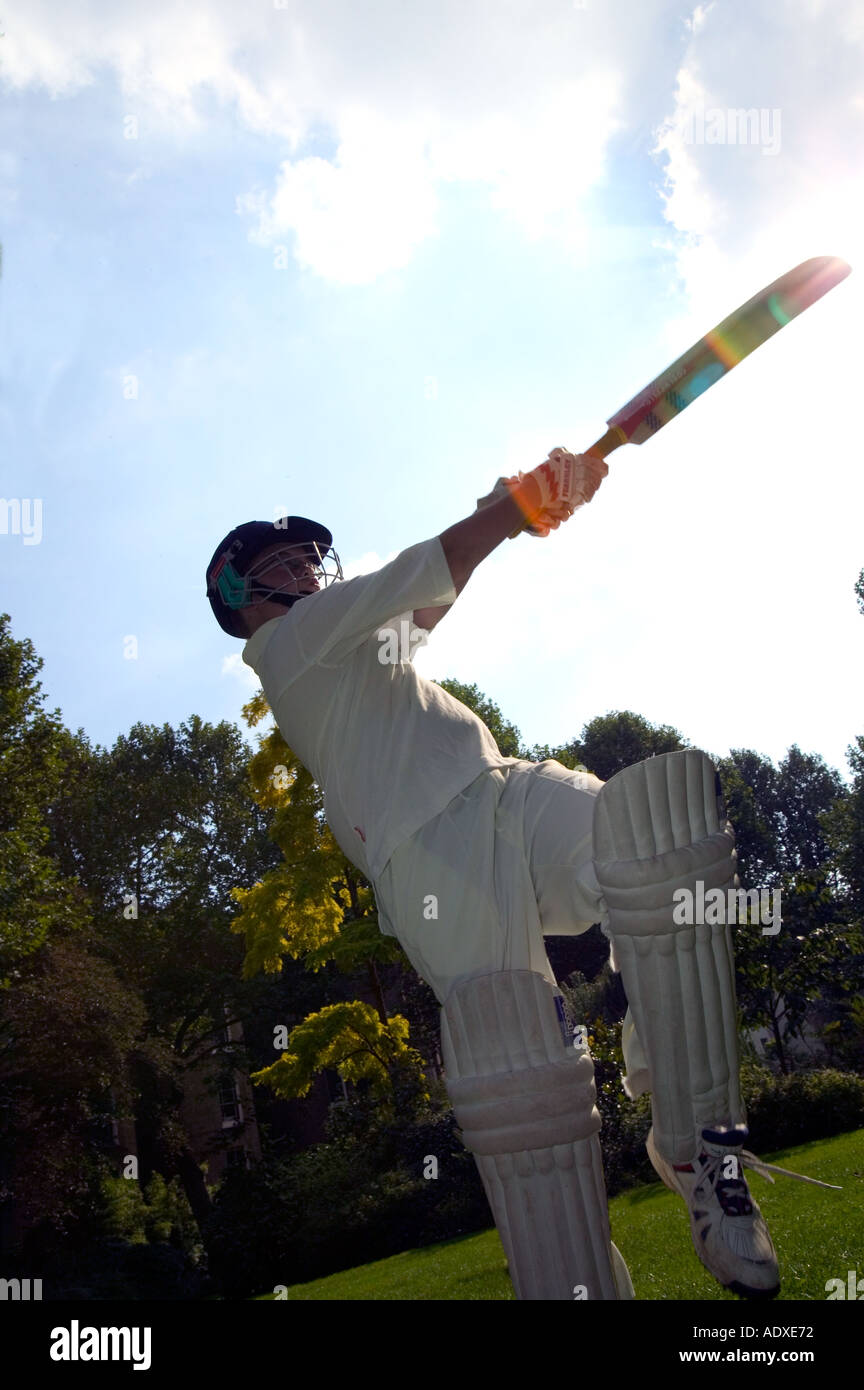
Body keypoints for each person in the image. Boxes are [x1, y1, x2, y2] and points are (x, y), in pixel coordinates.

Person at [205, 448, 825, 1300]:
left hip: (502, 792)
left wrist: (517, 510)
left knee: (659, 840)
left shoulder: (357, 645)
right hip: (426, 861)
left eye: (312, 557)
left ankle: (697, 1143)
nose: (309, 570)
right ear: (244, 599)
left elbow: (429, 590)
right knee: (521, 1066)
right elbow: (434, 564)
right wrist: (514, 504)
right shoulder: (288, 647)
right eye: (285, 564)